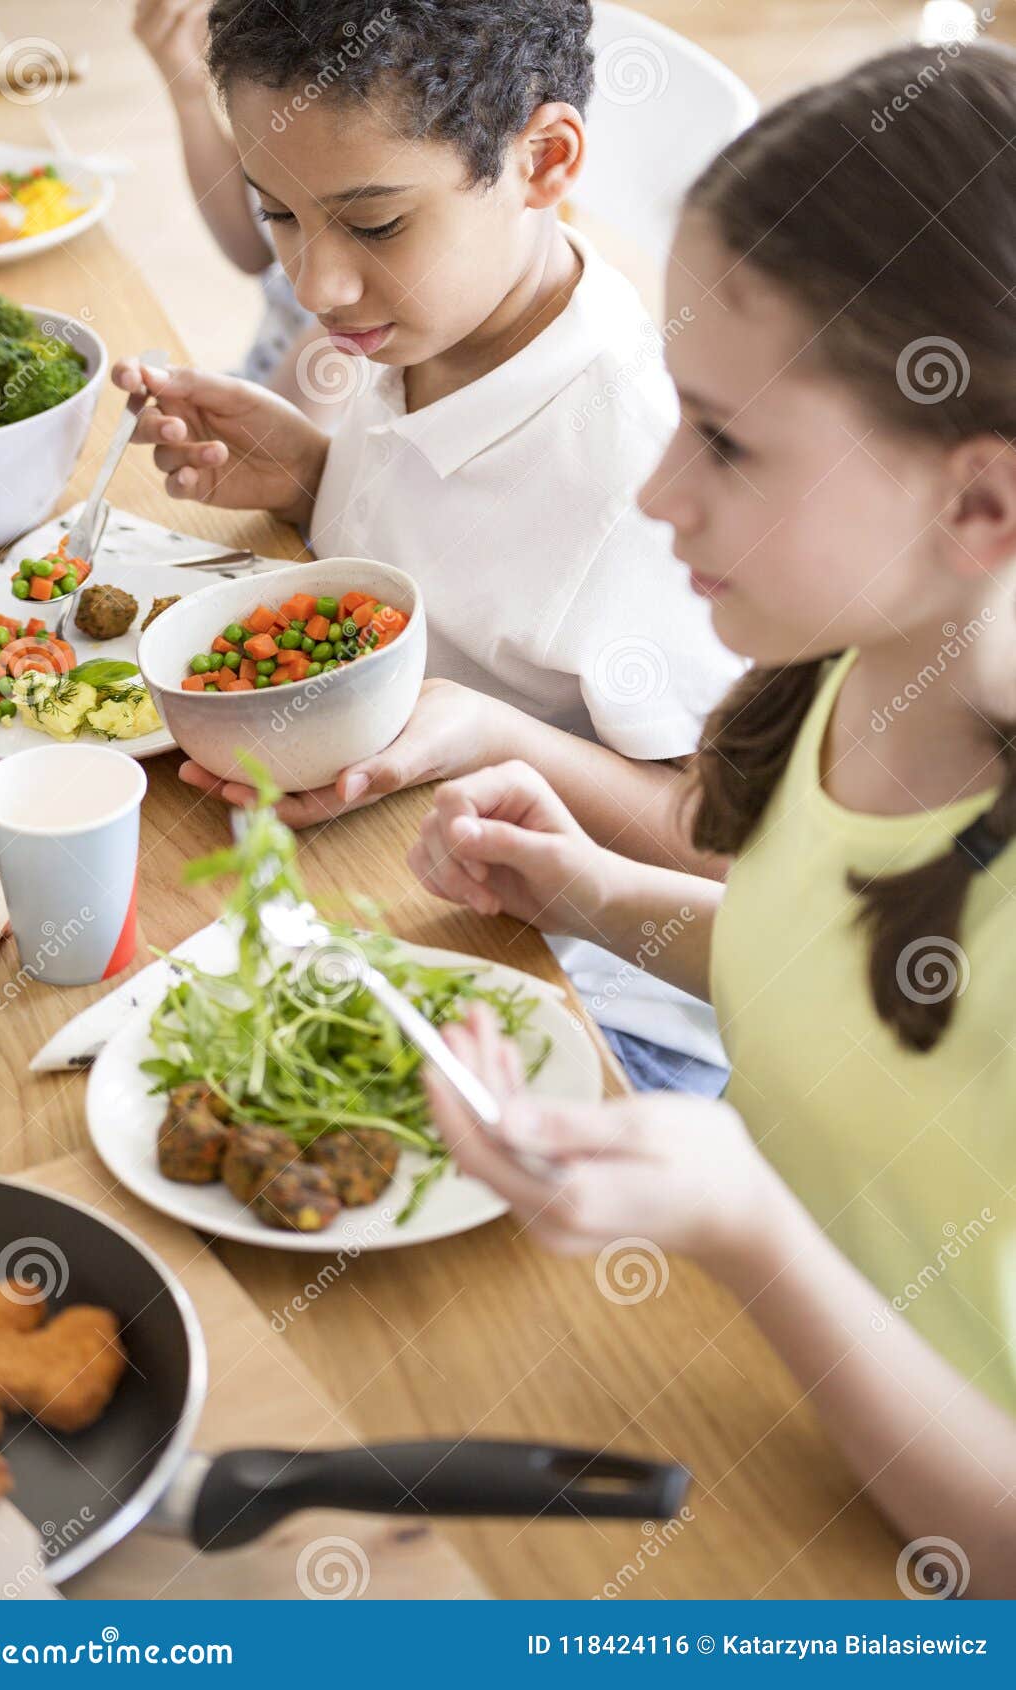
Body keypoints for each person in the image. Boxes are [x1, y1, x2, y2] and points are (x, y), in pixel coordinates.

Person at [412, 43, 1016, 1593]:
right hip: (726, 1411)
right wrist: (586, 888)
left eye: (727, 442)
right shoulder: (856, 671)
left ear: (978, 506)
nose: (657, 492)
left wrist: (748, 1225)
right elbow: (839, 991)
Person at [115, 0, 744, 1094]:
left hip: (591, 1001)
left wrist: (497, 740)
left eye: (370, 226)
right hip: (388, 854)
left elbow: (731, 850)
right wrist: (316, 477)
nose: (315, 287)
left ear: (542, 159)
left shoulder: (640, 477)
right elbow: (464, 559)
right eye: (278, 217)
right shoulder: (439, 316)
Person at [131, 0, 320, 406]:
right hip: (261, 388)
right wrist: (189, 95)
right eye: (279, 212)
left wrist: (266, 445)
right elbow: (250, 249)